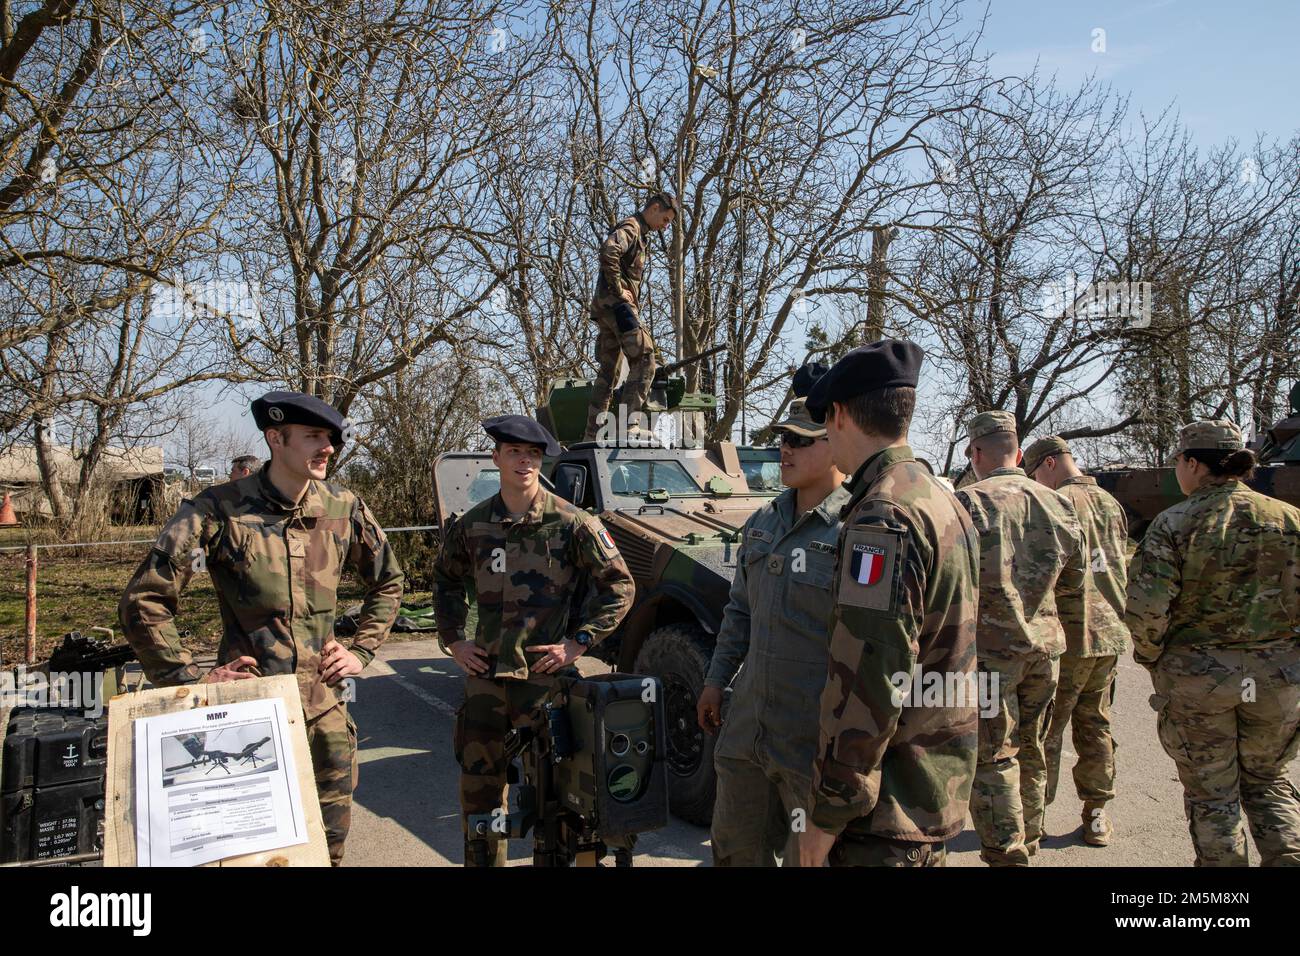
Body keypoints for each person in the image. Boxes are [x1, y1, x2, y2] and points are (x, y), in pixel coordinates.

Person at [120, 391, 404, 865]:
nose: (328, 448)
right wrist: (188, 679)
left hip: (325, 713)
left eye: (330, 438)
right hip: (248, 715)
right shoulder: (218, 510)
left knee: (329, 849)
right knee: (252, 852)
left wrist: (362, 650)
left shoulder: (343, 507)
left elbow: (389, 581)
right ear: (276, 438)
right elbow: (145, 600)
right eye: (313, 436)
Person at [796, 340, 980, 868]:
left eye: (823, 421)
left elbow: (871, 678)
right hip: (927, 787)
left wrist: (828, 815)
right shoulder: (937, 495)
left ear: (837, 414)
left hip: (883, 815)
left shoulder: (882, 516)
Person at [432, 414, 635, 865]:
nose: (524, 462)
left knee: (560, 801)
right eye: (515, 453)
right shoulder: (472, 526)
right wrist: (454, 641)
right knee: (480, 798)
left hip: (549, 682)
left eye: (533, 455)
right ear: (496, 458)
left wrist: (579, 642)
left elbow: (620, 586)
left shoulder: (572, 522)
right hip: (486, 682)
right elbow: (445, 582)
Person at [1126, 419, 1300, 866]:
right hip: (1277, 679)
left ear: (1192, 463)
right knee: (1269, 782)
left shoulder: (1173, 523)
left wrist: (1151, 658)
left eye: (1177, 462)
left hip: (1199, 681)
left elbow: (1147, 609)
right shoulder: (1288, 520)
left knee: (1212, 795)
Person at [698, 394, 849, 866]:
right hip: (747, 728)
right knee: (735, 848)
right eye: (784, 439)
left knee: (807, 858)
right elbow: (740, 610)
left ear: (836, 444)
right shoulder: (763, 521)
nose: (786, 450)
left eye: (801, 441)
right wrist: (715, 681)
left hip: (811, 738)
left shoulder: (857, 528)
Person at [956, 411, 1086, 866]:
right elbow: (1074, 585)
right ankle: (1029, 839)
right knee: (1032, 749)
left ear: (976, 453)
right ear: (1016, 448)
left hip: (990, 657)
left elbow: (951, 587)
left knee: (992, 758)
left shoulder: (968, 502)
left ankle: (1008, 855)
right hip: (1045, 651)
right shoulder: (1059, 503)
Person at [1023, 435, 1130, 847]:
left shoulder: (1057, 503)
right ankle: (1097, 812)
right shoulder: (1110, 503)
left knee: (1045, 729)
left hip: (1068, 635)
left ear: (1049, 464)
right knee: (1096, 726)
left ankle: (1033, 818)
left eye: (1035, 473)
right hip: (1108, 636)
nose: (1037, 481)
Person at [582, 193, 677, 442]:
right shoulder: (632, 227)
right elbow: (609, 249)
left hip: (607, 308)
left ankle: (592, 434)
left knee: (609, 371)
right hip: (617, 306)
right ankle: (628, 424)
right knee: (646, 357)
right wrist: (618, 288)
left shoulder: (639, 232)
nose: (665, 227)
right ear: (654, 208)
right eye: (665, 220)